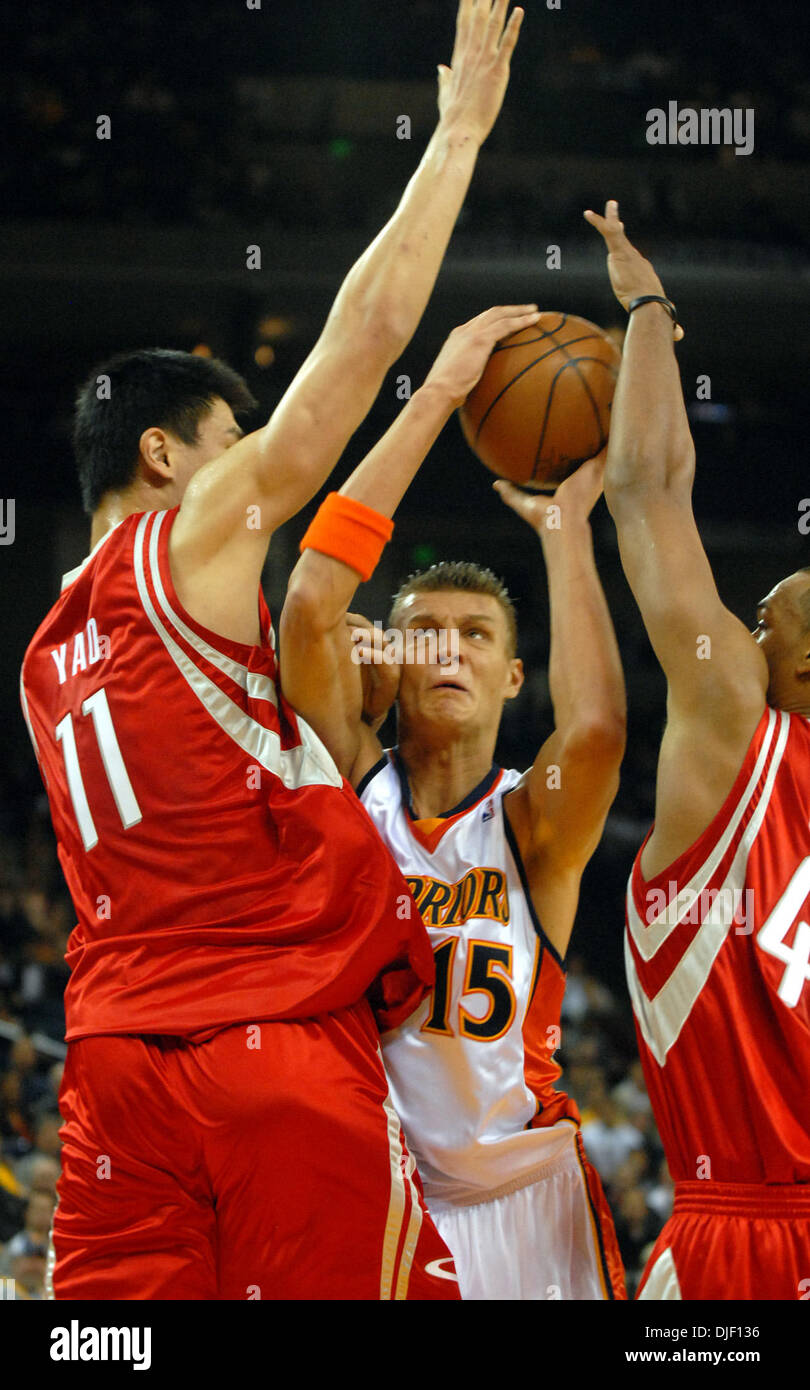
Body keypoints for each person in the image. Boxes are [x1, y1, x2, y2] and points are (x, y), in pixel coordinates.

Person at [19, 0, 525, 1301]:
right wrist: (458, 129)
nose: (247, 458)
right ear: (163, 457)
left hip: (117, 1069)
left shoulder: (43, 651)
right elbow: (357, 345)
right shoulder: (185, 543)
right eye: (224, 437)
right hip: (267, 1036)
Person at [279, 308, 628, 1299]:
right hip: (377, 1201)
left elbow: (599, 727)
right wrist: (435, 392)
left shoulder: (530, 822)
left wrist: (565, 532)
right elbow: (311, 601)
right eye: (424, 629)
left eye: (477, 634)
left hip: (524, 1199)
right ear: (388, 657)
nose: (450, 647)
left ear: (517, 676)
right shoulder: (343, 786)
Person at [585, 199, 810, 1299]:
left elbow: (645, 494)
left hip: (739, 1243)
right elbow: (650, 492)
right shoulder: (743, 734)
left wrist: (645, 307)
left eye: (768, 619)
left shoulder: (734, 722)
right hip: (741, 1218)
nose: (748, 630)